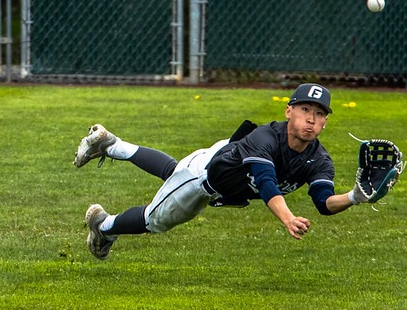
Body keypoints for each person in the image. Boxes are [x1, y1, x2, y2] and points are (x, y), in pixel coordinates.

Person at [73, 83, 370, 260]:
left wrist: (354, 196)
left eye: (319, 114)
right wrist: (288, 218)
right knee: (155, 220)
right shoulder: (266, 138)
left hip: (218, 157)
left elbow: (324, 202)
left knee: (173, 172)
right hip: (204, 180)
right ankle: (103, 225)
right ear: (288, 111)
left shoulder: (319, 159)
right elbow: (266, 183)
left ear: (325, 123)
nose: (311, 119)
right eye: (305, 109)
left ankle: (112, 145)